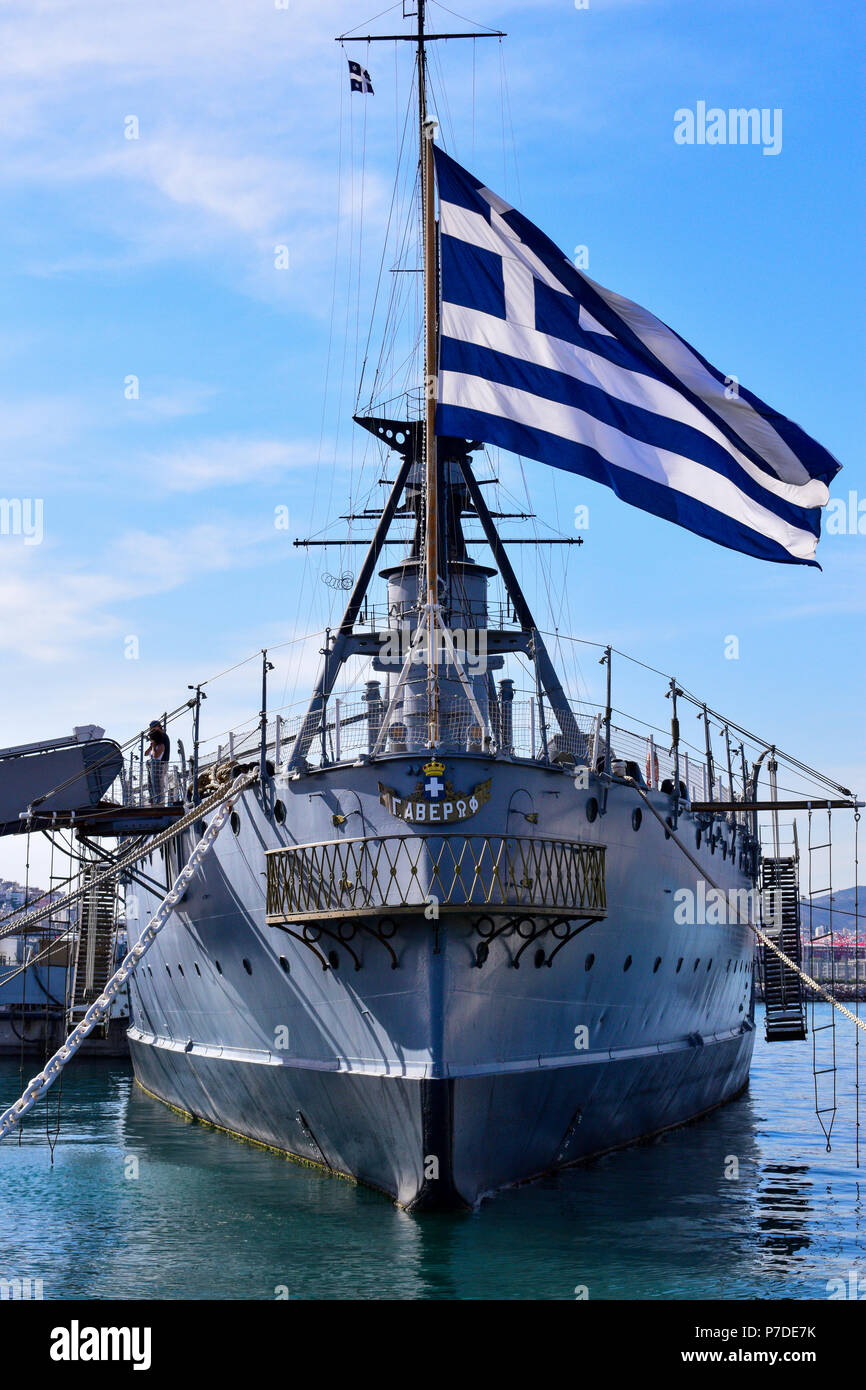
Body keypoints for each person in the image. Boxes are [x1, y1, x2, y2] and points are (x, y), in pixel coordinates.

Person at [145, 720, 171, 805]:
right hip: (156, 765)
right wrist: (152, 746)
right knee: (153, 786)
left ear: (158, 726)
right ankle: (155, 802)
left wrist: (153, 747)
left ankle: (160, 804)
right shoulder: (160, 737)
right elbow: (146, 753)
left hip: (161, 764)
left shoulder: (162, 737)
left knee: (159, 786)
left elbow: (156, 755)